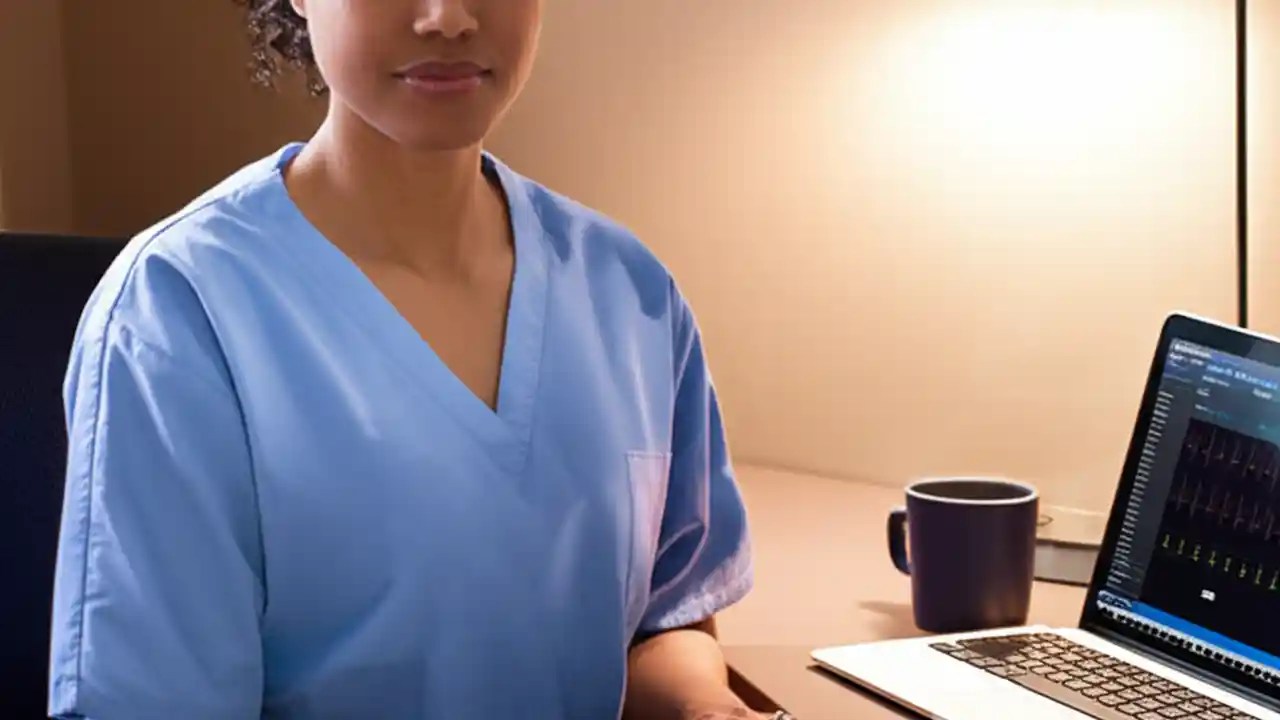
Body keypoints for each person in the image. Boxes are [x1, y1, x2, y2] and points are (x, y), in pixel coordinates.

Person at [46, 1, 780, 718]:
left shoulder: (628, 291)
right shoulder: (177, 313)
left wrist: (703, 704)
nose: (448, 18)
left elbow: (666, 615)